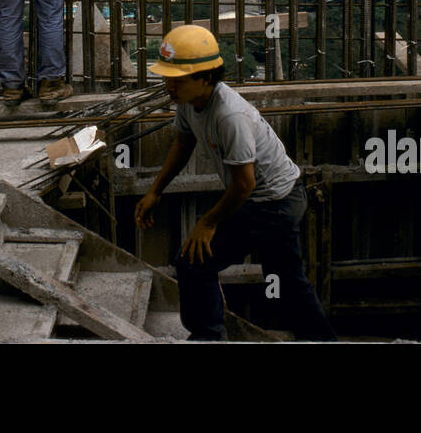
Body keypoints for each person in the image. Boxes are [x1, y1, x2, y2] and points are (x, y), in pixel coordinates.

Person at [134, 24, 337, 341]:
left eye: (177, 79)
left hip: (274, 203)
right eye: (166, 78)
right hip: (268, 198)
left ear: (206, 77)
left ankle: (208, 337)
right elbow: (183, 143)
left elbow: (244, 185)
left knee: (193, 263)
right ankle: (321, 340)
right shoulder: (189, 102)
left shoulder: (230, 115)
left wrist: (208, 222)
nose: (168, 87)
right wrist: (155, 191)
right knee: (286, 280)